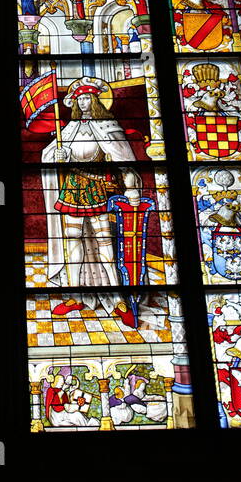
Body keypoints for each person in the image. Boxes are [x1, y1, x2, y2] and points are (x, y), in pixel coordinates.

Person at [39, 77, 141, 325]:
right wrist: (57, 155)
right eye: (79, 98)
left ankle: (118, 299)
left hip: (96, 188)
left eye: (87, 98)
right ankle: (75, 296)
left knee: (105, 246)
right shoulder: (70, 128)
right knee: (72, 244)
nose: (83, 102)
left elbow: (122, 158)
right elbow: (49, 155)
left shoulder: (108, 126)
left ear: (95, 100)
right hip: (72, 188)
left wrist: (131, 188)